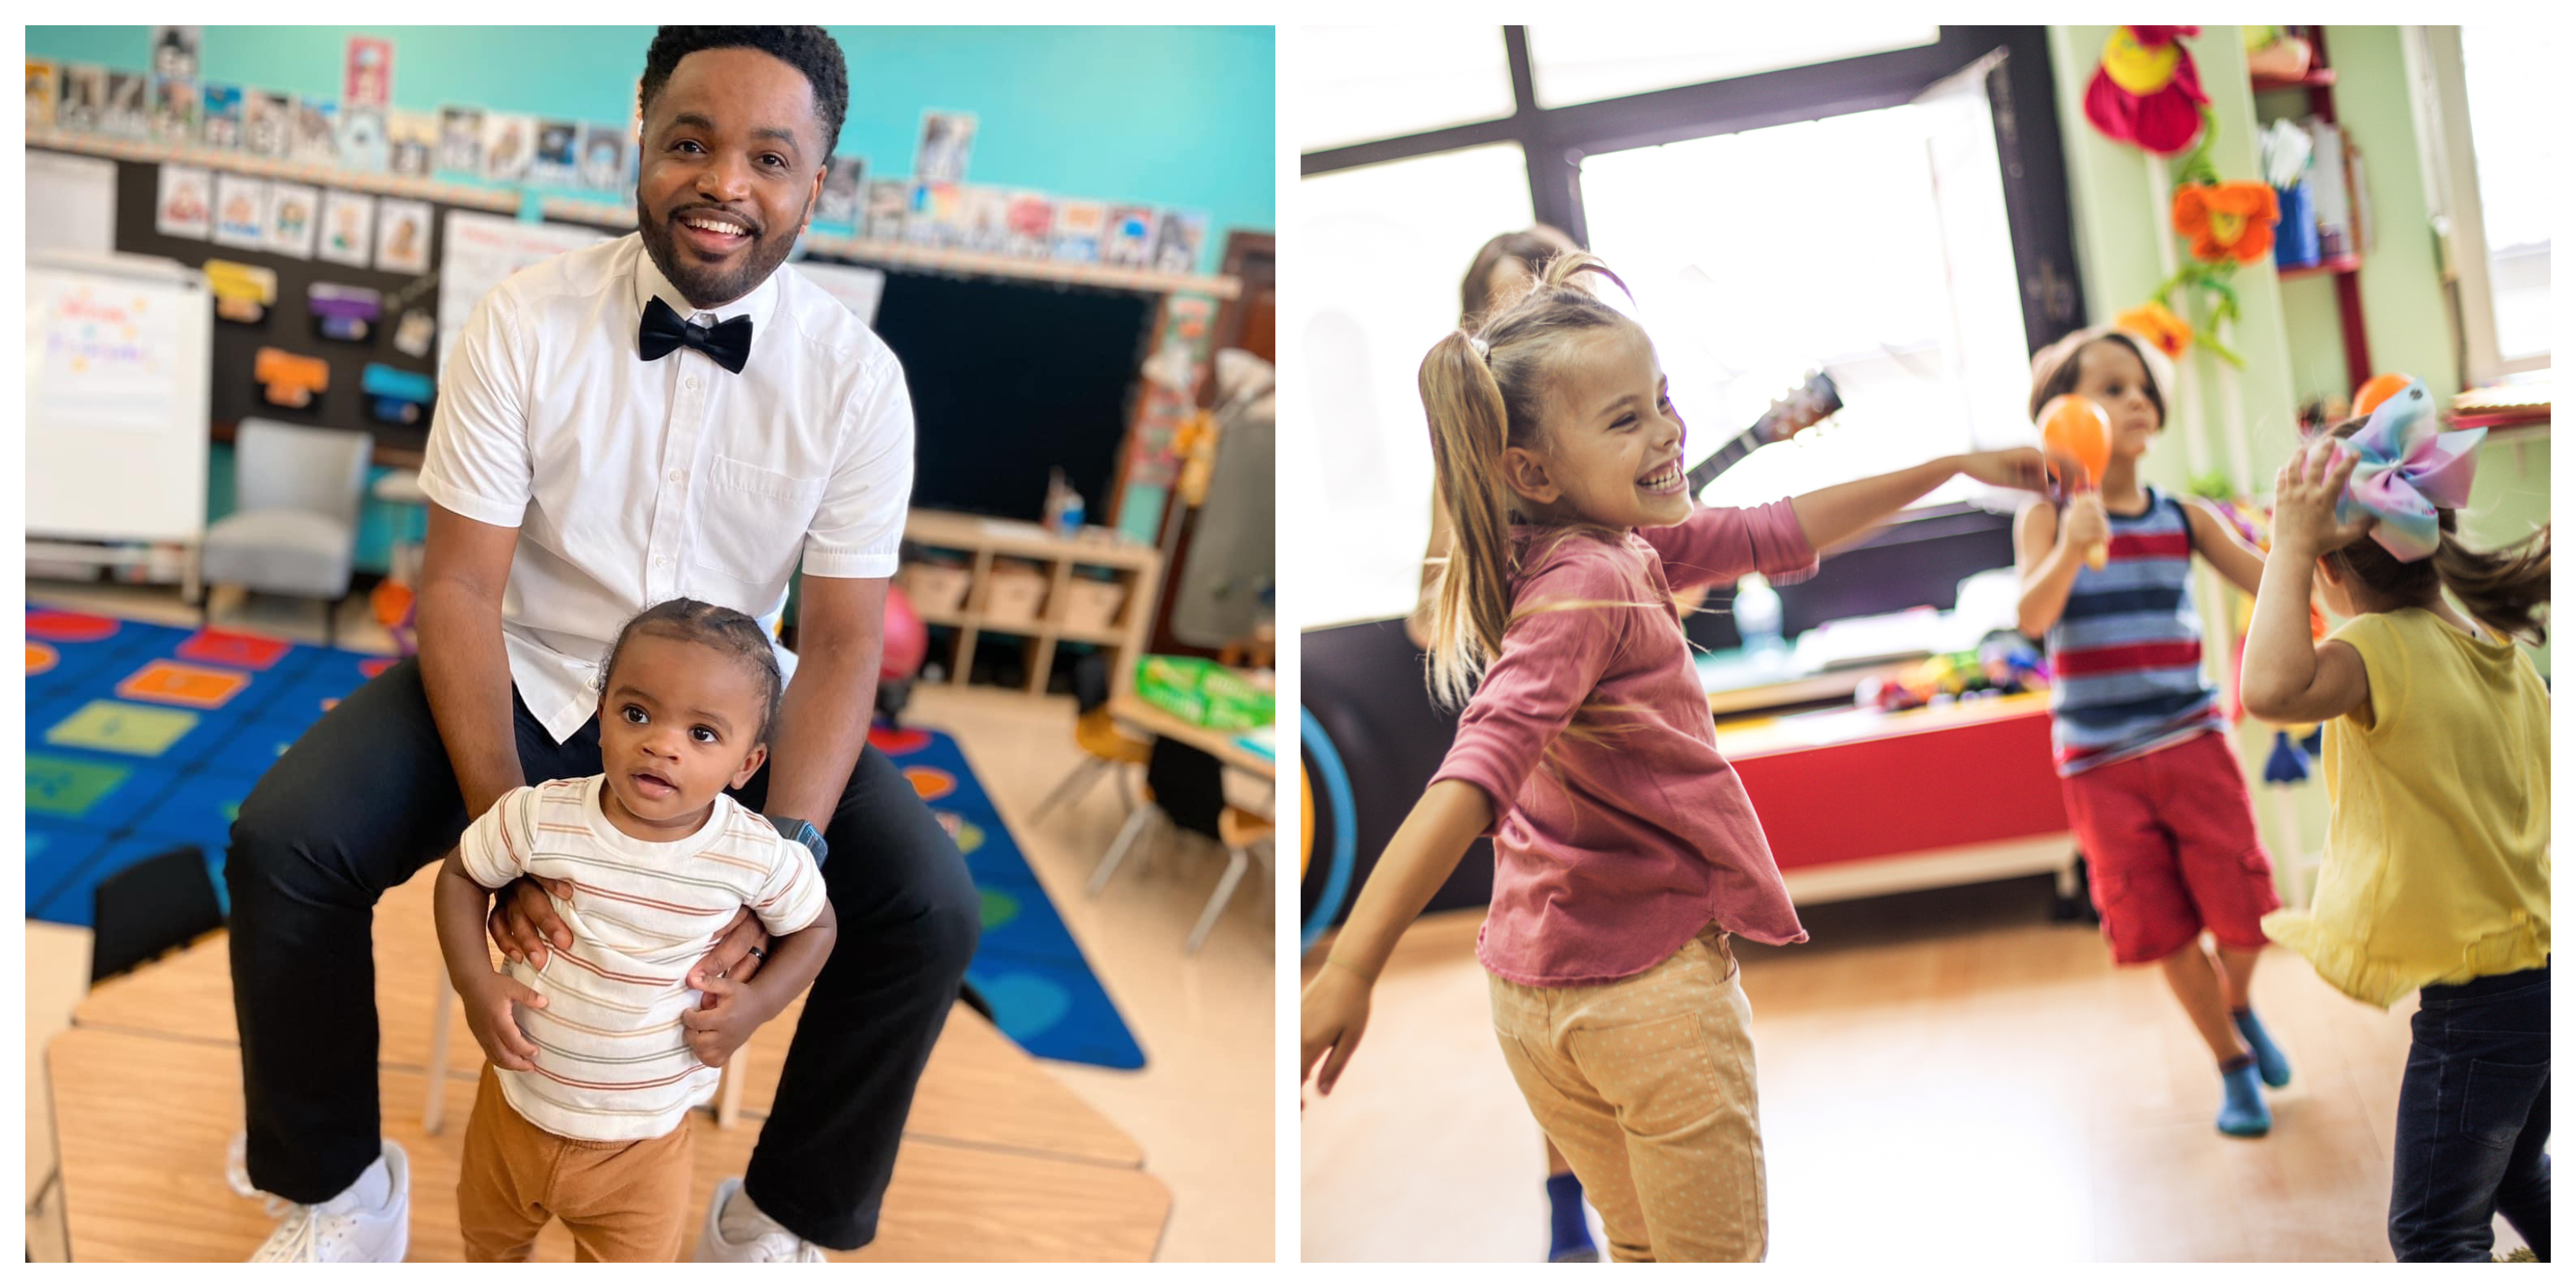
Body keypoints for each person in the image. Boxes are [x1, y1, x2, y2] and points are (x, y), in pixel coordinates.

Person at [221, 27, 979, 1263]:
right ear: (641, 130)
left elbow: (844, 642)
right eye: (692, 142)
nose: (723, 183)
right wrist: (506, 833)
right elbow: (457, 587)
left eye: (769, 158)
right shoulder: (524, 320)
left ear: (817, 183)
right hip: (521, 674)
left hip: (729, 716)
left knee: (930, 910)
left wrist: (783, 853)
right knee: (286, 842)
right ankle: (344, 1193)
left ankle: (774, 1220)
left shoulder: (856, 380)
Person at [1300, 251, 2065, 1262]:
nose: (1668, 432)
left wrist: (1952, 466)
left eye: (1661, 400)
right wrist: (1352, 965)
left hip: (1531, 994)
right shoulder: (1596, 582)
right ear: (1531, 470)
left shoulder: (1575, 551)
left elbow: (1773, 529)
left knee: (1644, 1255)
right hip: (1644, 995)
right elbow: (1474, 773)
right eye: (1626, 419)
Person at [2239, 390, 2549, 1262]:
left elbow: (2268, 689)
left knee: (2432, 1232)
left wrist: (2288, 544)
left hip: (2483, 1004)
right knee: (2515, 1176)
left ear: (2330, 571)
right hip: (2543, 973)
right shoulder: (2497, 649)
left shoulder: (2380, 651)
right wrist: (2297, 546)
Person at [436, 601, 837, 1260]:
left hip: (643, 1150)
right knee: (489, 1252)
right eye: (637, 714)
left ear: (747, 764)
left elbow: (817, 928)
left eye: (702, 733)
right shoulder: (539, 817)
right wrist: (474, 982)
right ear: (601, 717)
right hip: (513, 1112)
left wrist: (759, 1005)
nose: (661, 744)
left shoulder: (756, 855)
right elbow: (460, 875)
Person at [2011, 324, 2289, 1137]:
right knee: (2161, 927)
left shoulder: (2184, 517)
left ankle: (2236, 1004)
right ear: (2060, 415)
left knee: (2247, 915)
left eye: (2141, 387)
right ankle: (2231, 1064)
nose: (2134, 399)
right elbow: (2032, 619)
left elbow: (2274, 580)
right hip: (2099, 766)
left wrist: (2319, 535)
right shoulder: (2043, 521)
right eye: (2110, 388)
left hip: (2192, 741)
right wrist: (2071, 548)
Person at [1401, 224, 1607, 1263]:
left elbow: (1684, 585)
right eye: (1505, 300)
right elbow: (1426, 619)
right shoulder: (1468, 471)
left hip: (1630, 736)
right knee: (1553, 977)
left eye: (1544, 291)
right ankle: (1566, 1199)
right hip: (1537, 754)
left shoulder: (1619, 438)